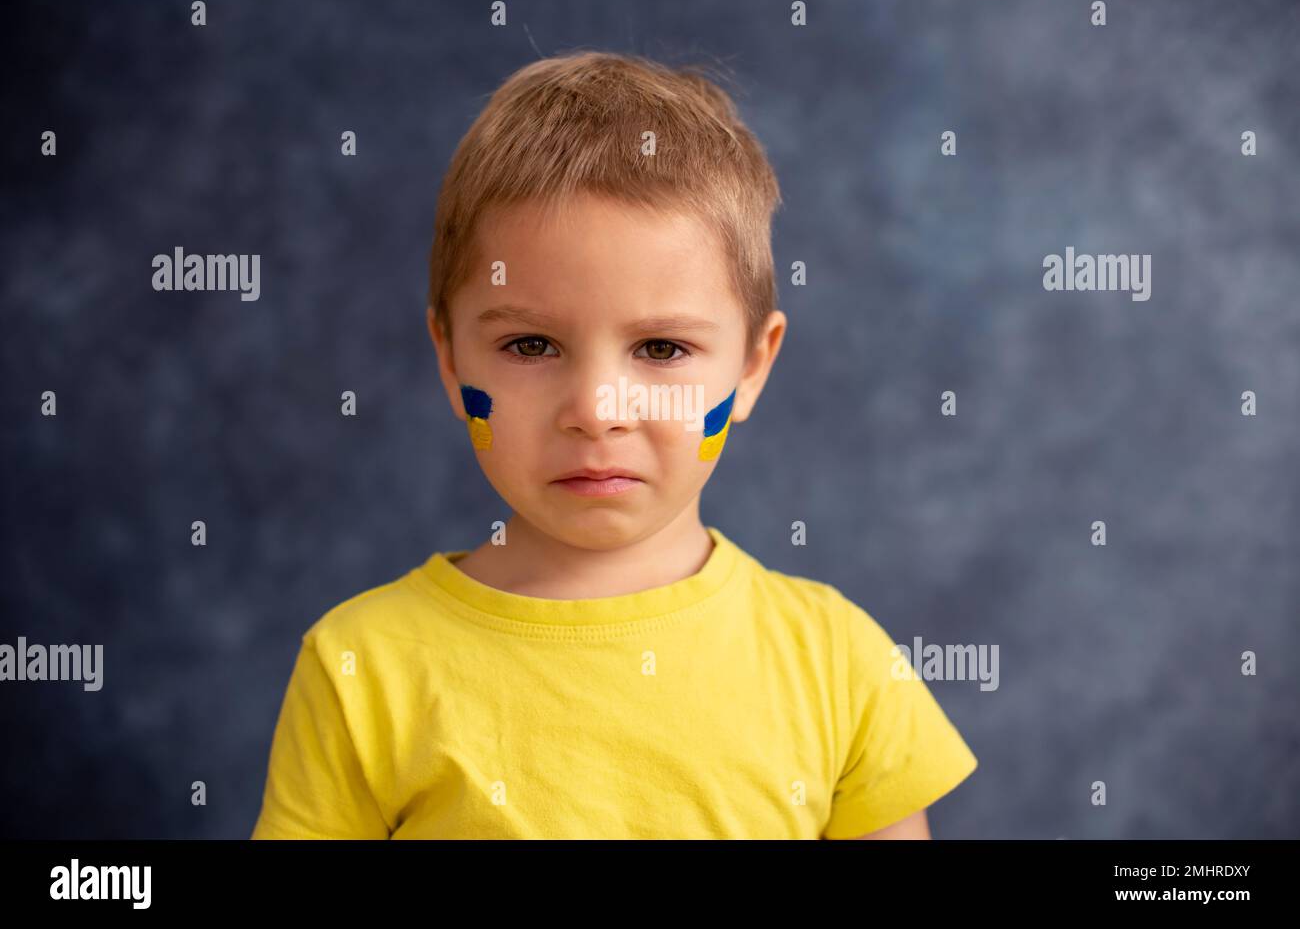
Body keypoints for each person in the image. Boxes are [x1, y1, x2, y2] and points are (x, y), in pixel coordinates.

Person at [251, 51, 977, 839]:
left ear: (752, 367)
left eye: (661, 349)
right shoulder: (362, 667)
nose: (597, 411)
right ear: (453, 359)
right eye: (531, 346)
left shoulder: (840, 663)